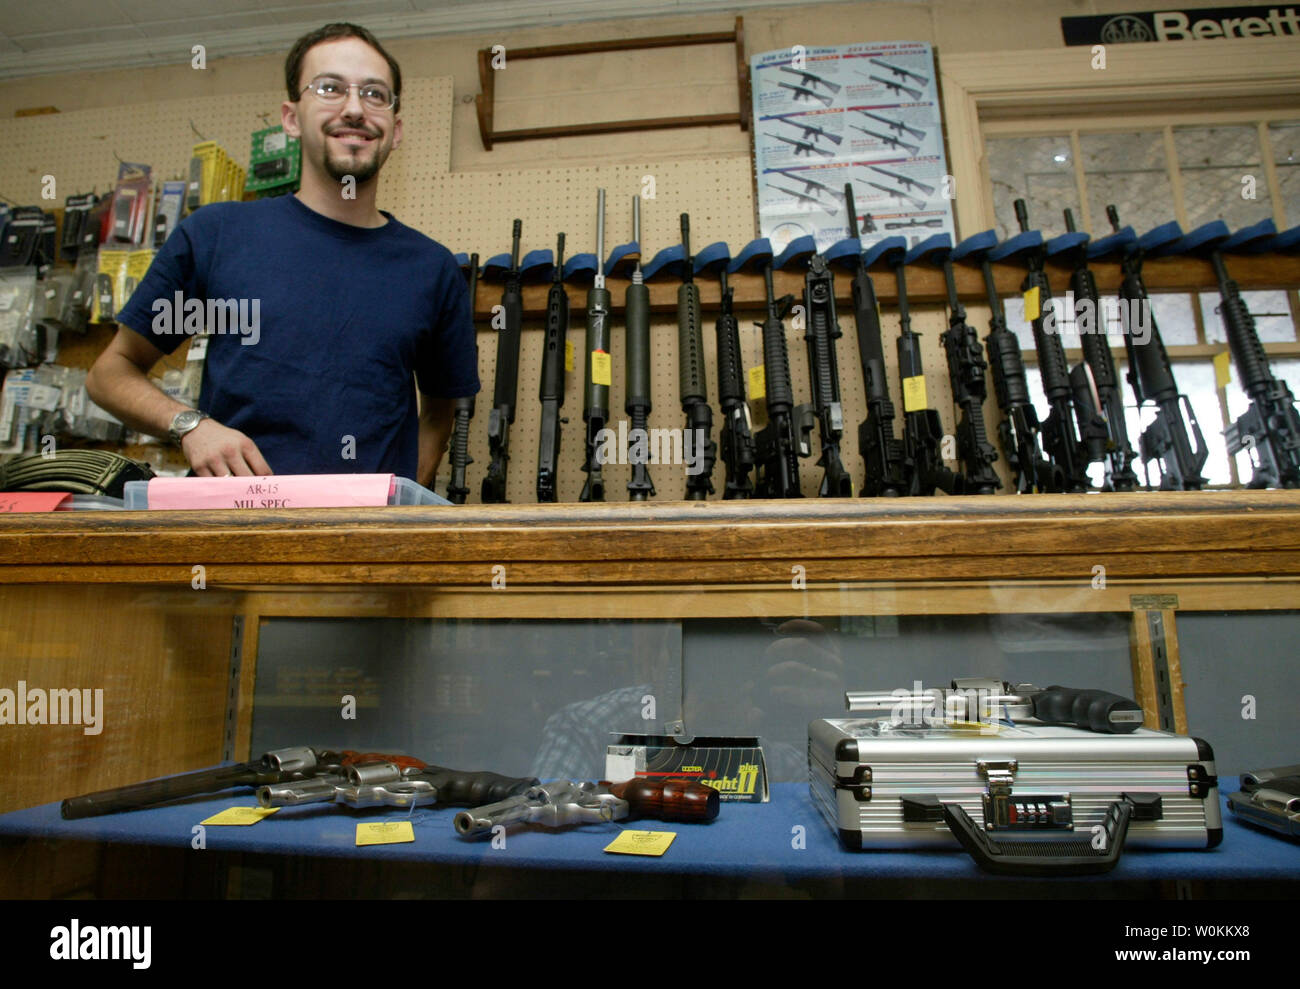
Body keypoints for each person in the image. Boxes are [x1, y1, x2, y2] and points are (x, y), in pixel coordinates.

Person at [87, 23, 478, 485]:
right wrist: (191, 425)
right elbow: (111, 372)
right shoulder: (216, 236)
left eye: (375, 95)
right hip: (235, 537)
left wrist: (402, 506)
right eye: (330, 88)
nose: (354, 108)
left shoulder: (431, 268)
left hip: (367, 545)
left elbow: (439, 408)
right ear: (291, 118)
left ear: (395, 130)